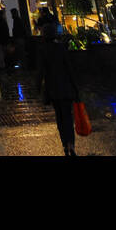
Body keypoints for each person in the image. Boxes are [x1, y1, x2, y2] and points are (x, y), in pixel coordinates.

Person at [36, 21, 81, 156]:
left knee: (60, 117)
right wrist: (75, 88)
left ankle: (64, 145)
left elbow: (41, 71)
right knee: (67, 117)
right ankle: (71, 144)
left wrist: (38, 87)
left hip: (53, 88)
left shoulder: (43, 50)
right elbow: (69, 69)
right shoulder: (61, 48)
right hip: (65, 87)